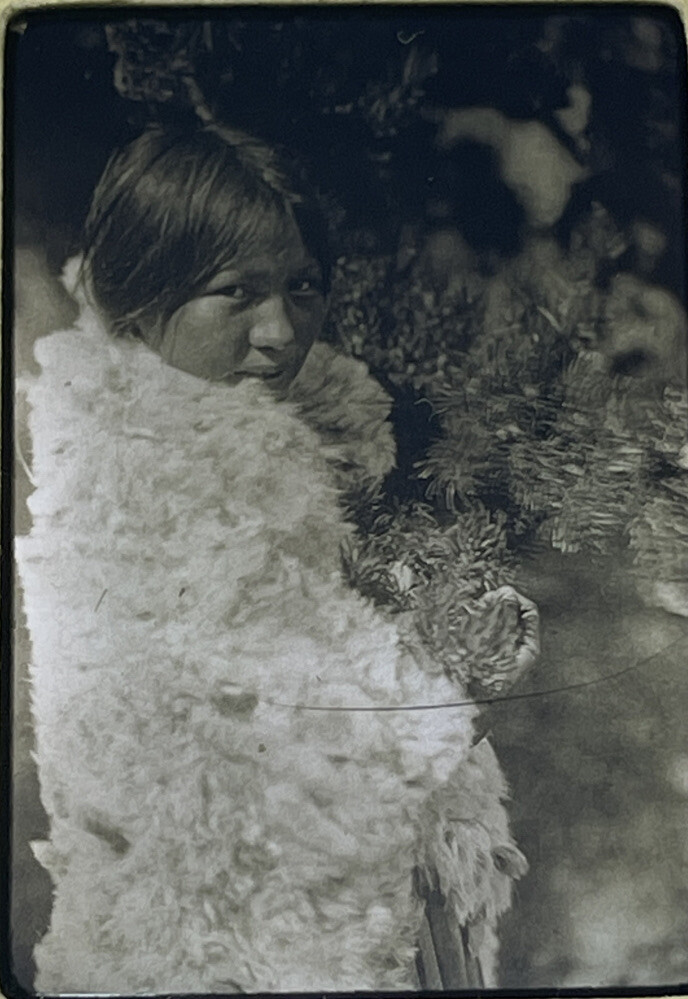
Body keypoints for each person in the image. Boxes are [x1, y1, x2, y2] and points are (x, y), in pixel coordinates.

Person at [15, 124, 529, 993]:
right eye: (235, 294)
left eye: (302, 287)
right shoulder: (129, 489)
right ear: (140, 298)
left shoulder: (302, 464)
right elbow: (242, 778)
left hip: (342, 918)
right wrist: (444, 695)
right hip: (226, 952)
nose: (280, 330)